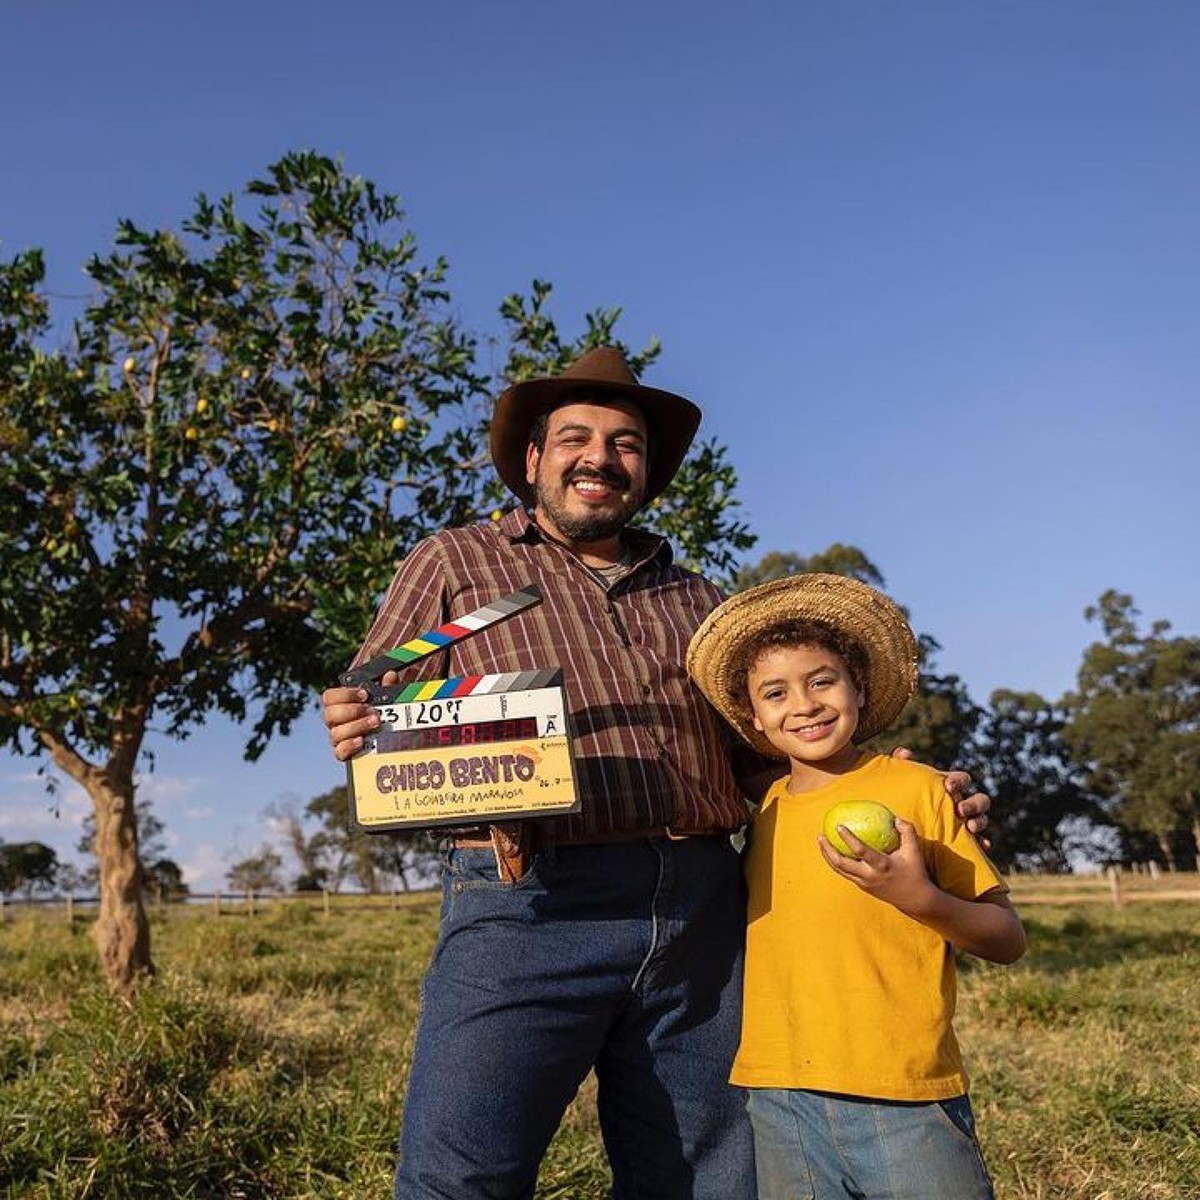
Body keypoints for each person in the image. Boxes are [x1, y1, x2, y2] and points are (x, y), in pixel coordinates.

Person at [320, 347, 992, 1200]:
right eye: (575, 437)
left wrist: (897, 792)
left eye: (625, 443)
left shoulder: (700, 601)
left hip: (700, 913)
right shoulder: (457, 563)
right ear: (534, 459)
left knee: (706, 1177)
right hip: (526, 903)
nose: (599, 456)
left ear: (647, 470)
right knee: (463, 1176)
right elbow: (378, 704)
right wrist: (353, 719)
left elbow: (769, 762)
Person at [686, 573, 1025, 1200]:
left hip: (903, 1091)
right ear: (753, 719)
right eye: (776, 693)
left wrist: (918, 897)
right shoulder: (763, 811)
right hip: (778, 1095)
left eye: (822, 681)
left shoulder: (916, 789)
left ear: (859, 689)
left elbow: (1006, 938)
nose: (805, 705)